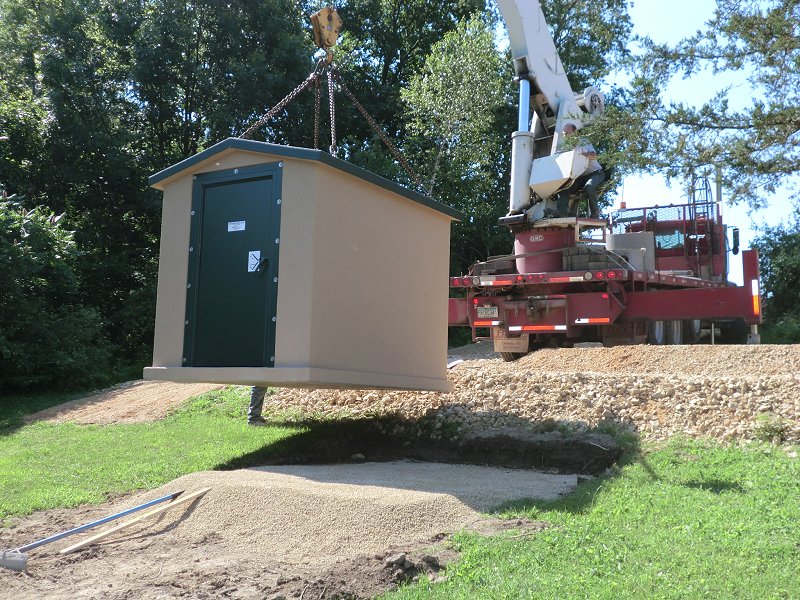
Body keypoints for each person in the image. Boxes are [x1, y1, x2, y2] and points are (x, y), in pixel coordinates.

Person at [555, 123, 606, 219]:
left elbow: (594, 156)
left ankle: (595, 212)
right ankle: (562, 212)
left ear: (574, 132)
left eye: (568, 133)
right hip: (580, 176)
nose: (565, 135)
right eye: (564, 133)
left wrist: (582, 155)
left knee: (589, 186)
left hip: (595, 173)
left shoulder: (583, 142)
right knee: (564, 187)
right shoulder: (565, 148)